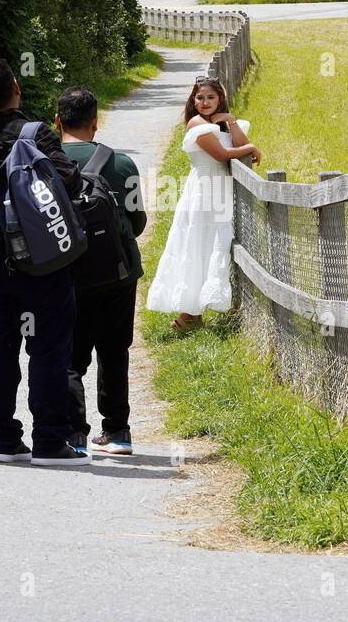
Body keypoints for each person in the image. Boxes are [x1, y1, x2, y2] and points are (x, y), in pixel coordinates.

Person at [0, 54, 88, 466]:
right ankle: (50, 439)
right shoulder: (36, 133)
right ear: (16, 88)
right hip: (42, 262)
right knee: (49, 348)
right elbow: (70, 179)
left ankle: (4, 439)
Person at [55, 86, 146, 456]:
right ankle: (118, 432)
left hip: (64, 274)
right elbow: (137, 222)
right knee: (114, 351)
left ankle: (74, 434)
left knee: (69, 356)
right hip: (117, 273)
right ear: (96, 121)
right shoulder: (122, 164)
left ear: (57, 120)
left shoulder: (44, 162)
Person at [146, 76, 259, 330]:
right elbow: (222, 155)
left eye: (210, 97)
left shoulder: (223, 123)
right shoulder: (196, 124)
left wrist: (230, 121)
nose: (205, 102)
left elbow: (239, 145)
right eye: (200, 97)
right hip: (203, 192)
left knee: (214, 245)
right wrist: (252, 147)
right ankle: (188, 314)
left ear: (220, 99)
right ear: (193, 101)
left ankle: (196, 314)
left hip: (221, 192)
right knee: (196, 246)